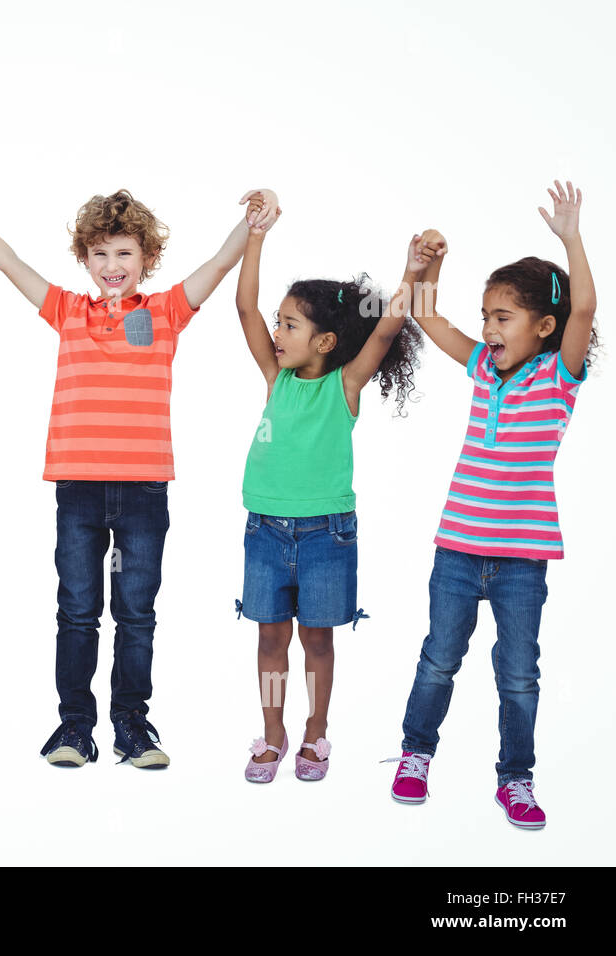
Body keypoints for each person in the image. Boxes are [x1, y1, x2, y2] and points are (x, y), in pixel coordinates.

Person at [0, 188, 277, 768]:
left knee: (136, 613)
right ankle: (75, 727)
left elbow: (222, 264)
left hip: (144, 492)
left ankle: (132, 724)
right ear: (85, 259)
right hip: (78, 489)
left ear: (146, 258)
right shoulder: (69, 311)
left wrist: (254, 225)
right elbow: (8, 262)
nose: (112, 267)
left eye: (124, 254)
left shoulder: (166, 312)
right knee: (76, 609)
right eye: (99, 254)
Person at [389, 182, 598, 829]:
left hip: (520, 562)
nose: (486, 328)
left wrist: (571, 237)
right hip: (456, 550)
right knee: (439, 659)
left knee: (517, 675)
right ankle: (415, 754)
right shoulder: (483, 367)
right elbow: (427, 317)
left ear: (543, 327)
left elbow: (585, 309)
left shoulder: (556, 376)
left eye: (501, 317)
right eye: (484, 315)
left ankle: (516, 779)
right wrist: (428, 263)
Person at [234, 198, 422, 783]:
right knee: (271, 639)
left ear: (325, 341)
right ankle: (272, 734)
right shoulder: (275, 377)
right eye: (278, 323)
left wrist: (412, 273)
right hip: (265, 530)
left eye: (289, 324)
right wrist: (256, 236)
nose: (276, 331)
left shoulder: (346, 384)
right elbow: (243, 306)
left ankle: (316, 731)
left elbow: (388, 326)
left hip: (326, 535)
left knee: (317, 640)